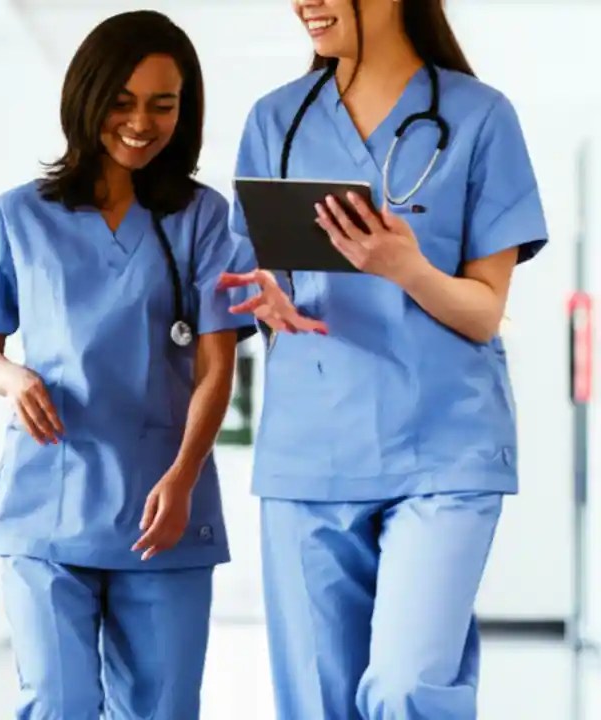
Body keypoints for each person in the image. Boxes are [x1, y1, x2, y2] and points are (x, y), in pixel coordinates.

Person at [219, 0, 548, 717]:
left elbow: (485, 308)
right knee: (317, 700)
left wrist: (406, 269)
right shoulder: (277, 122)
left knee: (406, 687)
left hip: (443, 446)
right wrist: (264, 301)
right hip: (312, 450)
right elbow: (255, 275)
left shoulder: (479, 118)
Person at [0, 11, 257, 718]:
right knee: (57, 703)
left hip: (162, 509)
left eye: (163, 103)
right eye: (121, 101)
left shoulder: (205, 218)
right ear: (86, 99)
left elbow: (218, 369)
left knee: (162, 707)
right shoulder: (19, 215)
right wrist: (16, 379)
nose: (141, 122)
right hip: (46, 505)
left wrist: (183, 478)